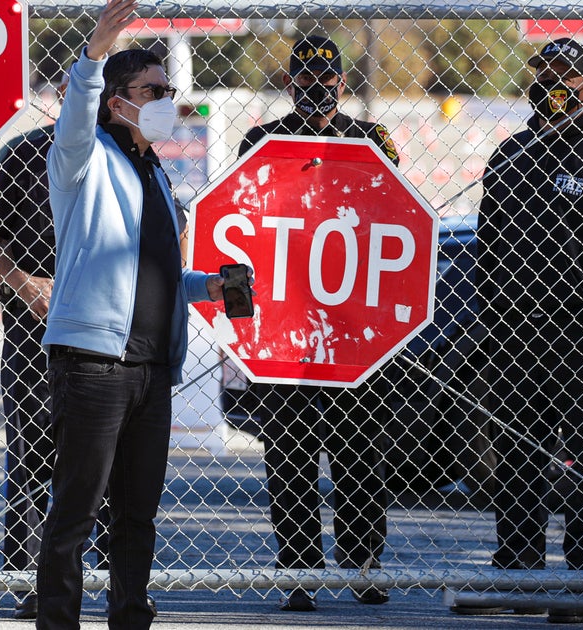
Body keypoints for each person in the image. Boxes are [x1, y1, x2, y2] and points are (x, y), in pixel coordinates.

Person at [33, 1, 223, 627]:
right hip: (94, 364)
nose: (170, 100)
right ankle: (59, 620)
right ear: (118, 100)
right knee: (76, 514)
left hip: (149, 368)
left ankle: (130, 616)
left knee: (138, 515)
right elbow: (72, 127)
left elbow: (158, 272)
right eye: (155, 90)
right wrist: (94, 53)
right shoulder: (83, 163)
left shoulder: (157, 174)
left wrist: (210, 287)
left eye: (171, 90)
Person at [468, 38, 583, 624]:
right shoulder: (512, 155)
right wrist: (489, 318)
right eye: (542, 73)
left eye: (564, 76)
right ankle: (519, 572)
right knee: (518, 459)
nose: (549, 84)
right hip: (516, 335)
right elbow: (488, 247)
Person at [238, 34, 397, 613]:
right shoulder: (261, 140)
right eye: (303, 82)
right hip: (286, 325)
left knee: (360, 452)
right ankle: (298, 567)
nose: (314, 91)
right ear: (289, 85)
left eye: (325, 82)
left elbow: (392, 212)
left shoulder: (368, 139)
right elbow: (242, 213)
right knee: (290, 452)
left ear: (341, 84)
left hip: (352, 327)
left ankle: (364, 561)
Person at [0, 79, 60, 620]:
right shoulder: (25, 152)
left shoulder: (126, 150)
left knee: (108, 456)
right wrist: (24, 281)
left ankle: (110, 572)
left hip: (107, 332)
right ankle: (27, 578)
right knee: (30, 453)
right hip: (32, 332)